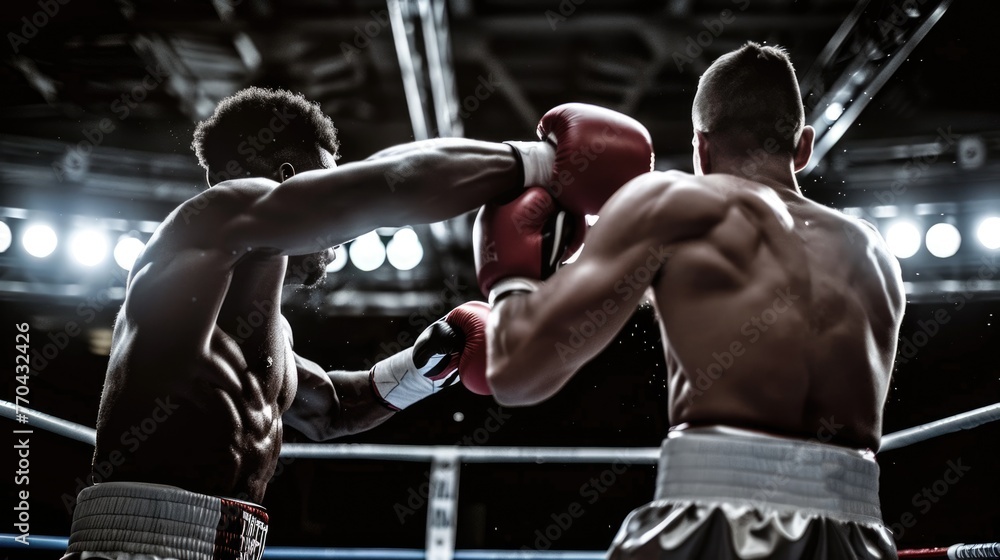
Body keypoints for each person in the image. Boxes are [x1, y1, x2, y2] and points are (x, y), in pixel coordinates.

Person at [59, 87, 654, 560]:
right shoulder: (210, 220)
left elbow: (331, 411)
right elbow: (377, 190)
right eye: (325, 175)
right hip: (136, 544)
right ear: (288, 176)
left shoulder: (266, 330)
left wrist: (429, 362)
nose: (338, 235)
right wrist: (540, 162)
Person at [475, 42, 904, 559]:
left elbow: (516, 374)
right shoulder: (874, 252)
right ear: (804, 146)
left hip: (716, 516)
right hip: (860, 535)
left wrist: (510, 277)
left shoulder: (674, 202)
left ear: (701, 146)